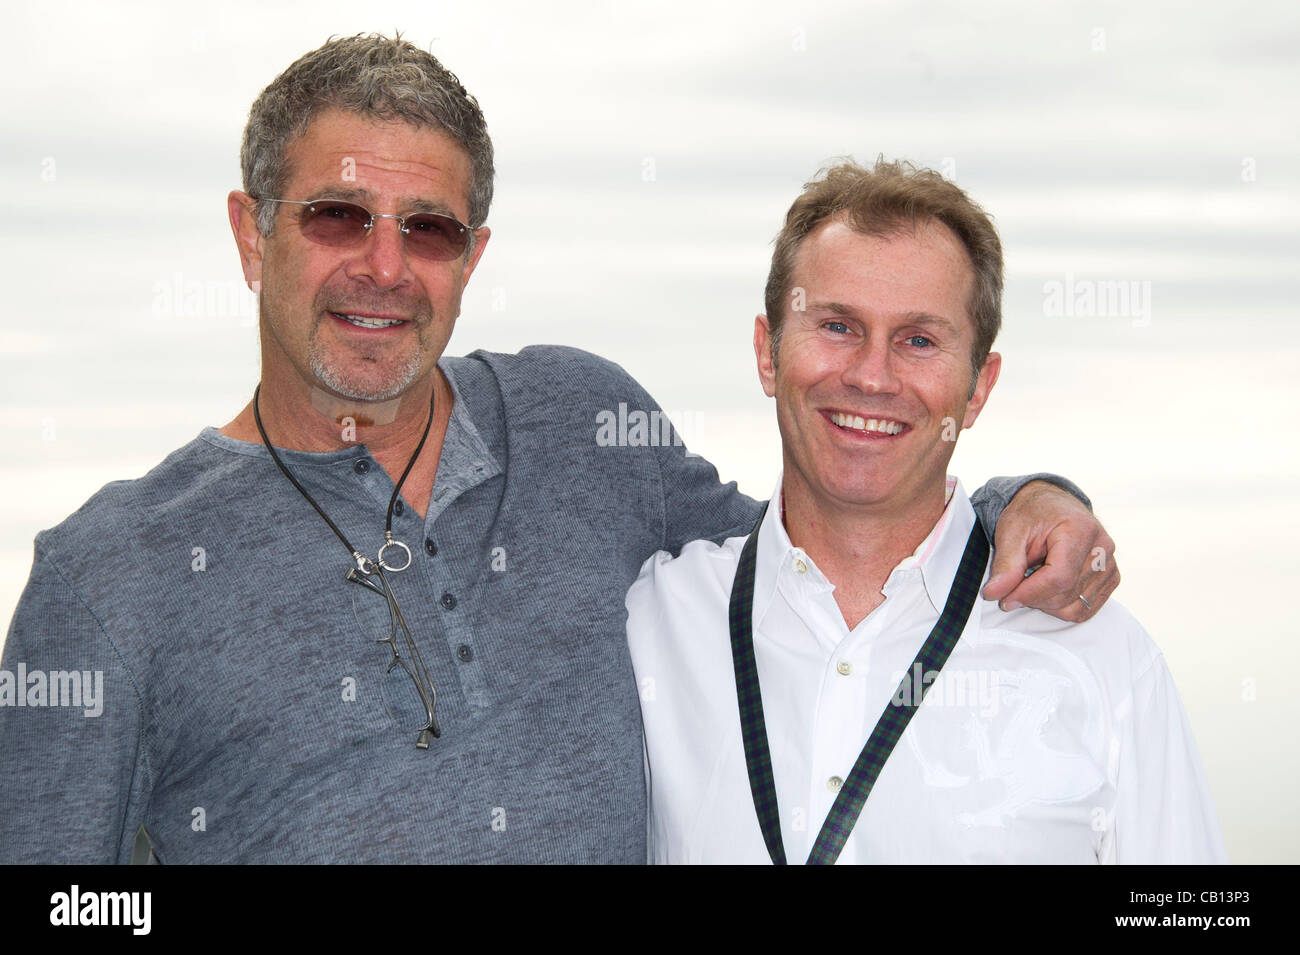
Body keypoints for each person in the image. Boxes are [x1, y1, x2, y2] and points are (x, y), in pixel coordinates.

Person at [0, 36, 1115, 864]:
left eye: (427, 228)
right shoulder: (112, 575)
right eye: (338, 216)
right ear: (252, 234)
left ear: (472, 254)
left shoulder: (582, 424)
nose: (384, 267)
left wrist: (1013, 499)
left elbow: (815, 544)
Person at [626, 158, 1226, 864]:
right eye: (838, 325)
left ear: (978, 388)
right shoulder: (651, 622)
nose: (872, 375)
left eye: (919, 340)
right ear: (767, 351)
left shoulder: (1101, 656)